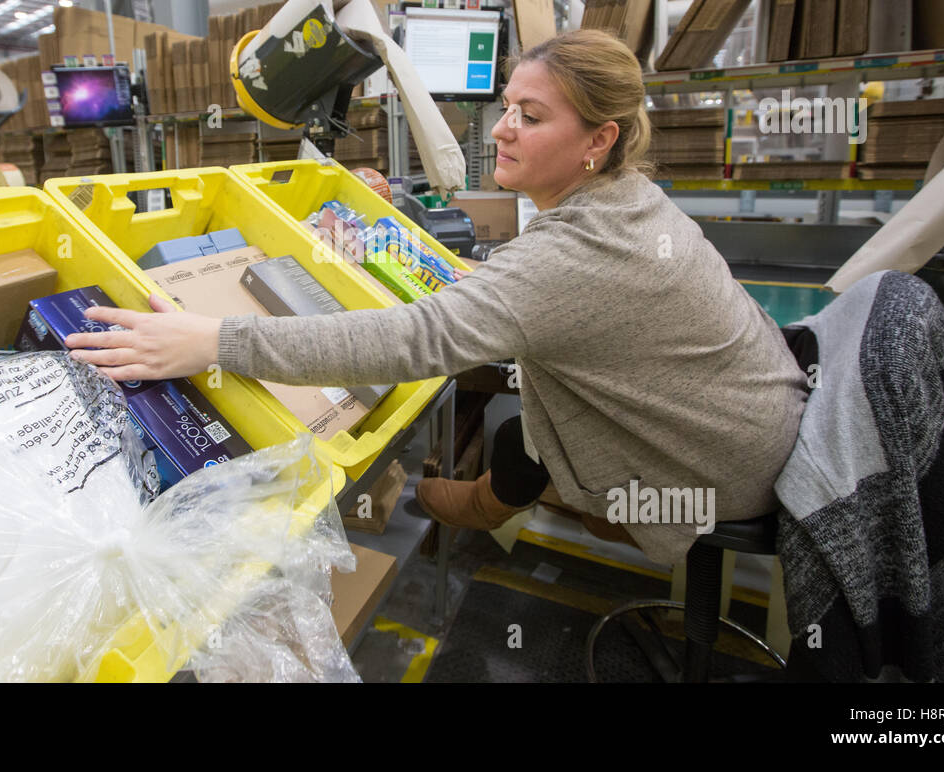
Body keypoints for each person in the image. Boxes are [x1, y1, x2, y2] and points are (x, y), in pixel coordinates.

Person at [65, 29, 809, 566]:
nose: (506, 130)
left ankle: (469, 508)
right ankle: (473, 503)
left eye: (534, 116)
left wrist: (212, 340)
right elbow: (539, 294)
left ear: (598, 140)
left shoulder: (577, 252)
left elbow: (413, 341)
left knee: (524, 440)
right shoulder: (625, 202)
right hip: (762, 418)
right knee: (522, 438)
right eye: (509, 107)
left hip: (722, 470)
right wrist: (397, 243)